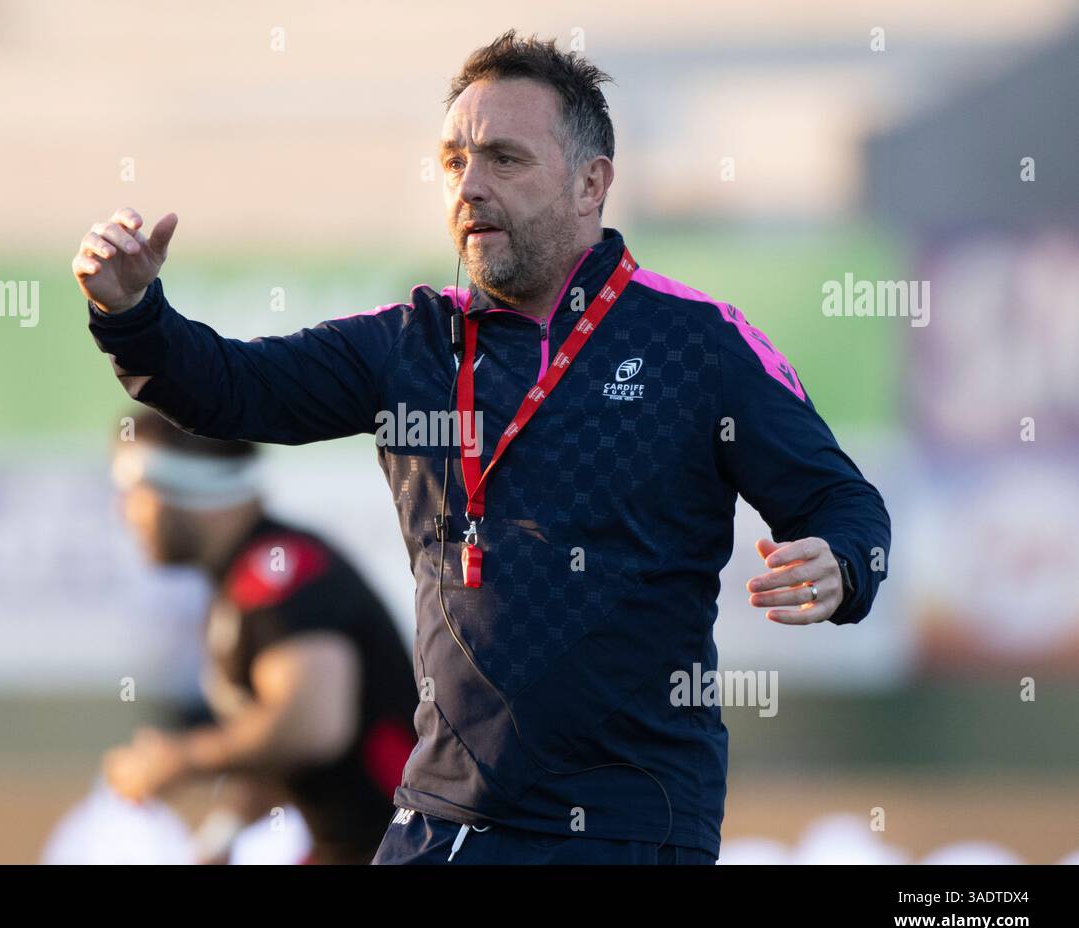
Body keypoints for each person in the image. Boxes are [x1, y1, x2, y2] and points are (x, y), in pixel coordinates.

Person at [72, 30, 890, 865]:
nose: (470, 185)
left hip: (631, 825)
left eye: (504, 159)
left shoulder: (698, 344)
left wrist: (845, 561)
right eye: (454, 160)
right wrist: (134, 316)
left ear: (591, 183)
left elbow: (843, 502)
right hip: (445, 820)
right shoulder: (411, 346)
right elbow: (229, 387)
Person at [100, 409, 417, 864]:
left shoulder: (280, 570)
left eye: (132, 491)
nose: (123, 511)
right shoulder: (242, 582)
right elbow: (278, 752)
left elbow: (312, 725)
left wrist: (180, 758)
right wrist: (220, 837)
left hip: (402, 848)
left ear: (185, 485)